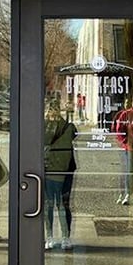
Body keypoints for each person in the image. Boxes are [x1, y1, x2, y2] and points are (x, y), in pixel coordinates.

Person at [43, 100, 78, 250]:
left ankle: (51, 237)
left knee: (51, 205)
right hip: (62, 169)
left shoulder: (43, 127)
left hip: (50, 168)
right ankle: (64, 237)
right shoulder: (68, 127)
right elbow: (74, 134)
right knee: (61, 205)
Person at [112, 97, 133, 205]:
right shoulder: (126, 114)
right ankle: (126, 194)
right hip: (129, 148)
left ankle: (128, 193)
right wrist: (125, 141)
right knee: (129, 171)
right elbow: (119, 130)